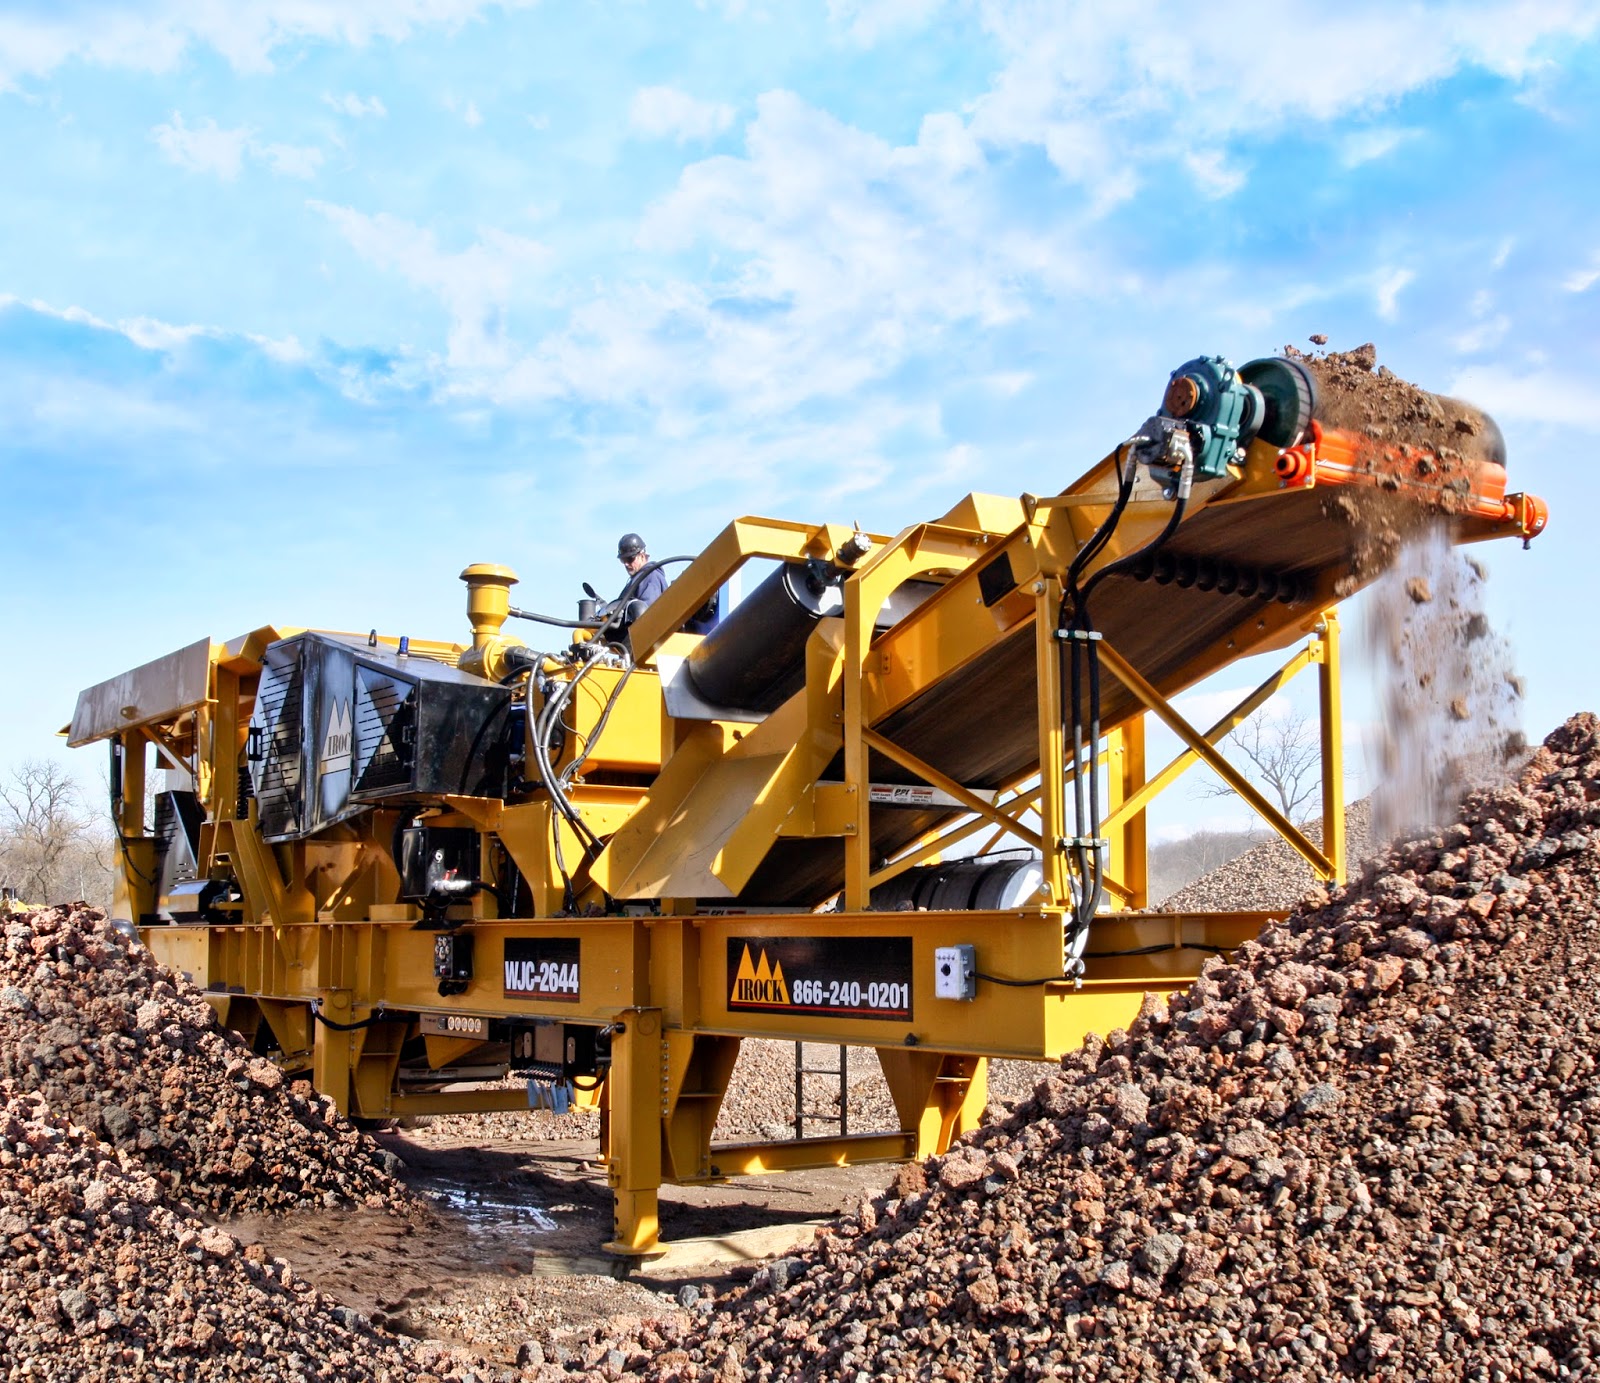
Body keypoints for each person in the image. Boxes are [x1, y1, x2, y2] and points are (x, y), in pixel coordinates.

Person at [617, 533, 668, 609]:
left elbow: (647, 613)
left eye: (630, 559)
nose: (626, 564)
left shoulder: (651, 577)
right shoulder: (635, 581)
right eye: (623, 560)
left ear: (642, 556)